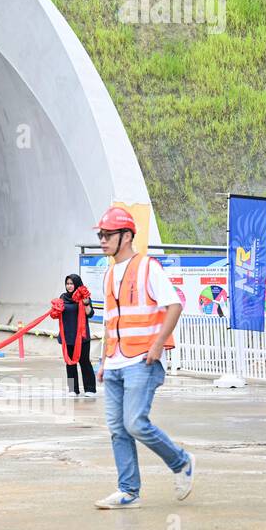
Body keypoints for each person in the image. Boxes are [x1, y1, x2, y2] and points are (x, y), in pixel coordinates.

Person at [94, 206, 195, 510]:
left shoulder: (147, 267)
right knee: (117, 428)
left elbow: (174, 305)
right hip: (114, 361)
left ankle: (181, 461)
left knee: (135, 423)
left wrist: (158, 345)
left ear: (126, 236)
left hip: (142, 360)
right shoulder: (109, 273)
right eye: (100, 235)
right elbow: (111, 322)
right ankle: (128, 491)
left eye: (107, 234)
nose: (102, 240)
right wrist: (103, 360)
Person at [59, 274, 96, 397]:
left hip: (82, 336)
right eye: (67, 283)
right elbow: (57, 313)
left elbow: (90, 314)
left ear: (77, 284)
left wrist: (86, 304)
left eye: (71, 283)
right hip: (68, 336)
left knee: (84, 362)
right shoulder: (62, 297)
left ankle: (90, 388)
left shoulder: (83, 297)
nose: (69, 286)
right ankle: (72, 389)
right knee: (70, 363)